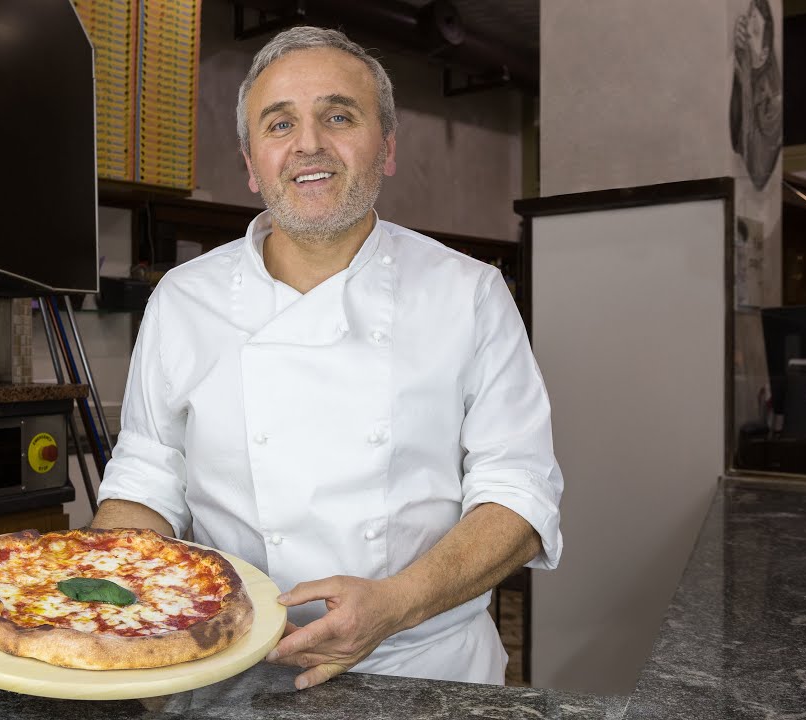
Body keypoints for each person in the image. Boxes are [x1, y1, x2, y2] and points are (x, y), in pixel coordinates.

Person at [91, 25, 564, 689]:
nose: (308, 144)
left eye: (338, 116)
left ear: (387, 146)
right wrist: (93, 587)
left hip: (424, 669)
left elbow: (518, 493)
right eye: (279, 123)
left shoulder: (468, 293)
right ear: (252, 162)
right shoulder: (183, 299)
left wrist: (394, 606)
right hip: (230, 667)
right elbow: (147, 478)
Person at [730, 0, 782, 191]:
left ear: (764, 54)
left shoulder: (773, 106)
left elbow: (757, 174)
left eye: (756, 31)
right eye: (748, 21)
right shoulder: (742, 73)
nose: (747, 32)